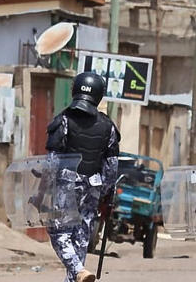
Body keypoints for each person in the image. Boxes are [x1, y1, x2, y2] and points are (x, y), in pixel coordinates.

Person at [46, 72, 120, 282]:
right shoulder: (109, 126)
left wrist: (46, 189)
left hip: (66, 184)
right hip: (93, 186)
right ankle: (76, 278)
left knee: (59, 232)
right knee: (81, 234)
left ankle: (78, 271)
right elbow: (112, 166)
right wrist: (106, 194)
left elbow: (52, 162)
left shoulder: (63, 120)